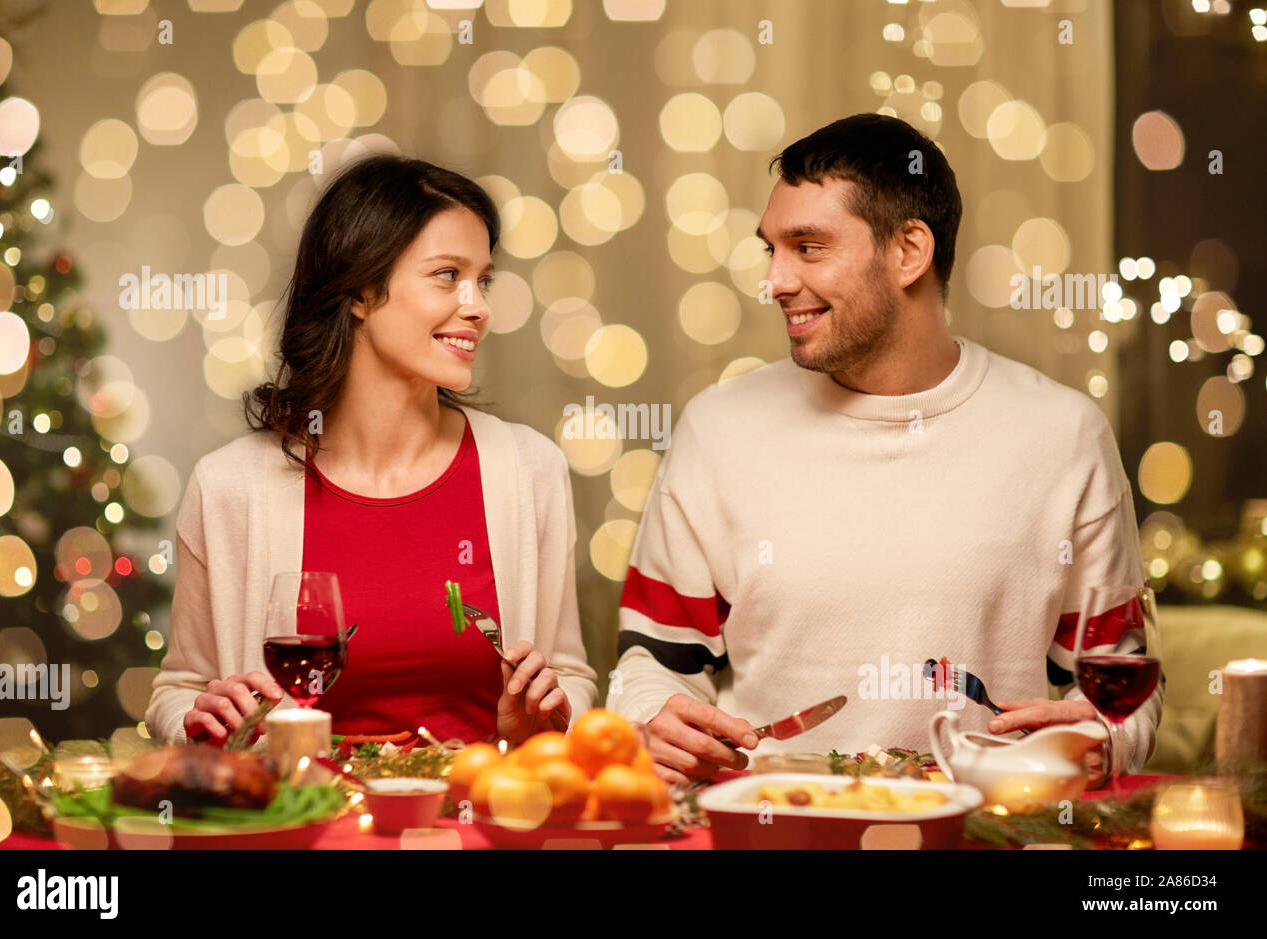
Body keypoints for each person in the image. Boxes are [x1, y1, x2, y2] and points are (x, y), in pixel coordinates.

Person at [606, 113, 1161, 786]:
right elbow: (652, 665)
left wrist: (1100, 738)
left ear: (909, 251)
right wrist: (653, 719)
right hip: (780, 825)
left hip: (987, 830)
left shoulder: (1064, 433)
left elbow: (1123, 679)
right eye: (772, 250)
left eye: (808, 247)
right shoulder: (717, 428)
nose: (775, 280)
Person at [146, 154, 597, 746]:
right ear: (360, 289)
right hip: (303, 829)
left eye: (483, 279)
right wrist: (201, 719)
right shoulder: (231, 486)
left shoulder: (530, 470)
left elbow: (570, 676)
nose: (479, 306)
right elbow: (178, 688)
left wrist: (549, 720)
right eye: (447, 275)